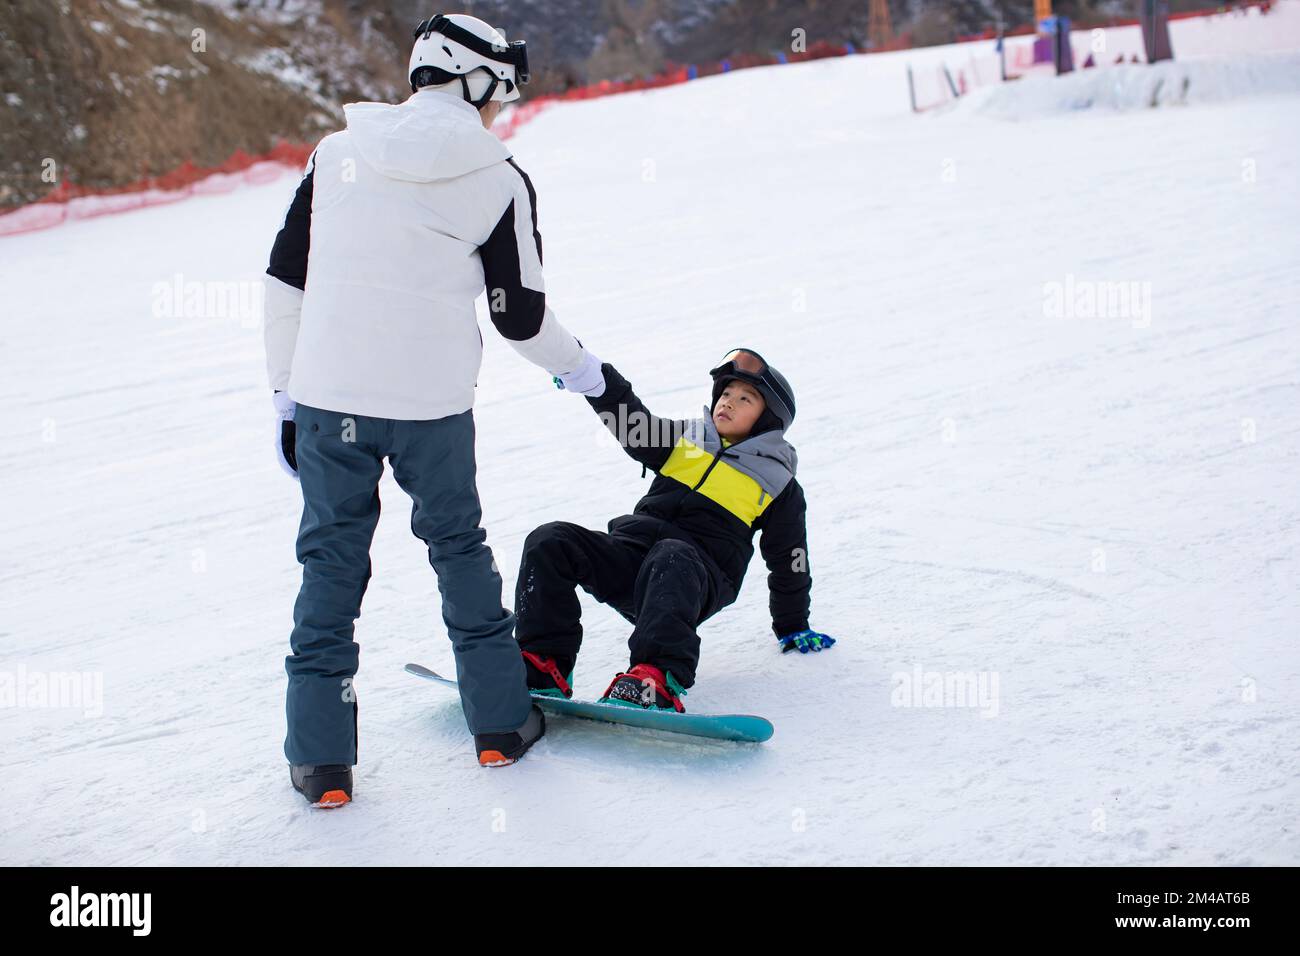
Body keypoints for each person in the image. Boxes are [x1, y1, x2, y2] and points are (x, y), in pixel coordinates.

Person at [262, 14, 606, 806]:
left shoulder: (336, 153)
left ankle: (322, 767)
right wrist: (580, 368)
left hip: (327, 402)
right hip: (431, 410)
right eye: (503, 92)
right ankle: (498, 730)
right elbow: (517, 315)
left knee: (330, 571)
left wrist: (285, 392)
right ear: (476, 80)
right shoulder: (502, 177)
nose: (502, 111)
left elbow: (286, 278)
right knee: (459, 555)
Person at [515, 348, 835, 712]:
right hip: (633, 561)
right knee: (551, 540)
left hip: (695, 578)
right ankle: (542, 665)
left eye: (745, 398)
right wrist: (591, 380)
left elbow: (790, 558)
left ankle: (655, 677)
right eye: (726, 394)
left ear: (768, 420)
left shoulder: (778, 483)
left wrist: (793, 623)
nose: (727, 403)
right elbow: (631, 421)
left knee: (673, 553)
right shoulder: (685, 440)